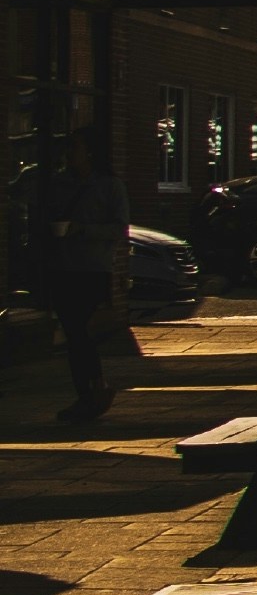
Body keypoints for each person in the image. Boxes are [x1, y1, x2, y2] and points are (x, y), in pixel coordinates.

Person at [39, 145, 131, 420]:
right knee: (73, 331)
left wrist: (83, 230)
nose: (70, 153)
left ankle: (93, 391)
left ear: (90, 153)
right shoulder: (59, 184)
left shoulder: (109, 186)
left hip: (91, 268)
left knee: (80, 331)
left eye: (75, 147)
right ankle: (89, 392)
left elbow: (119, 228)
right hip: (63, 267)